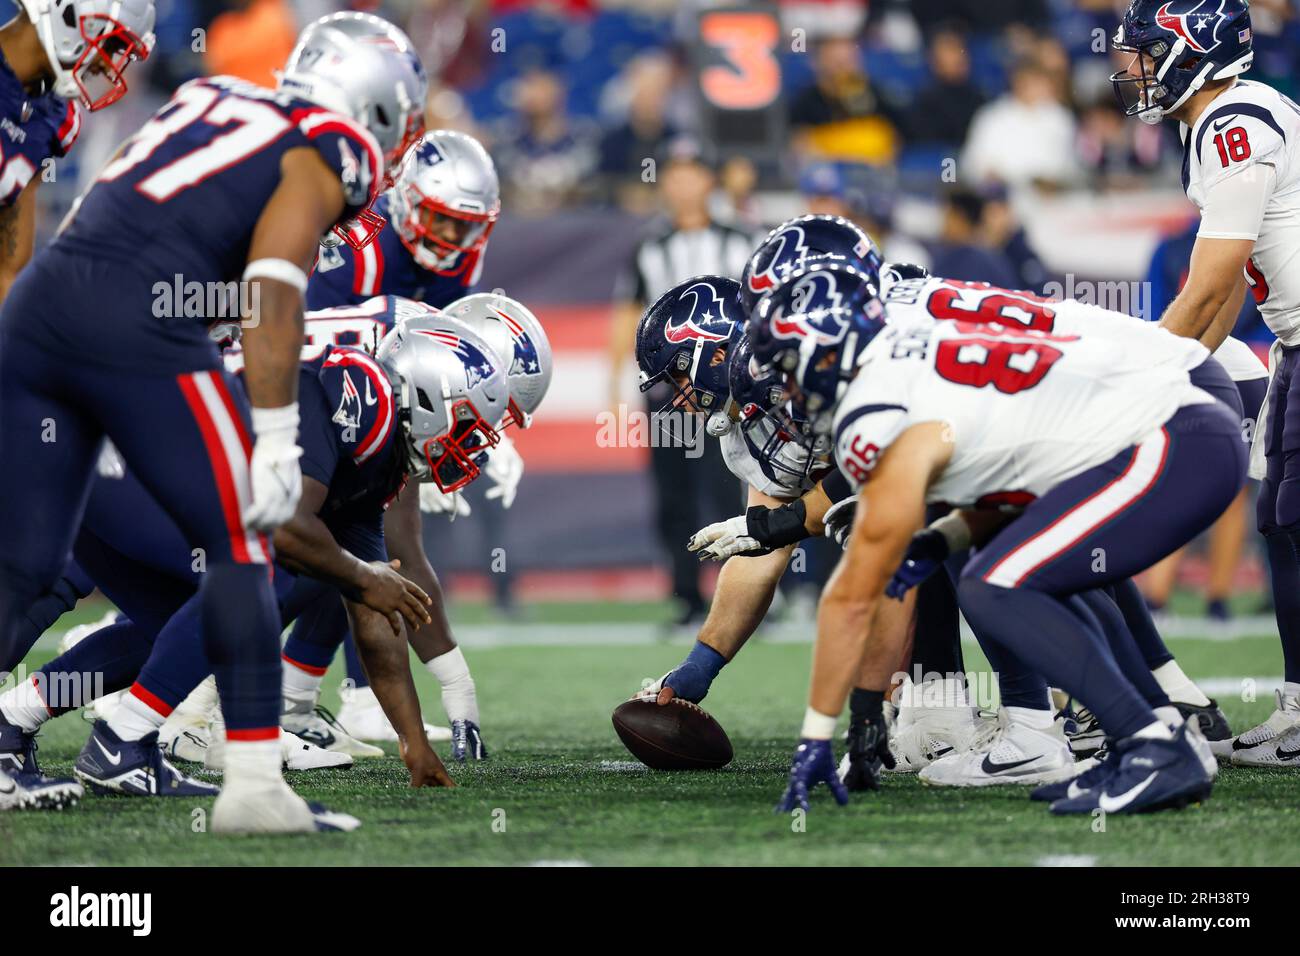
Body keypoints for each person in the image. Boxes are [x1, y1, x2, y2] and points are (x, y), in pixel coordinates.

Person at [0, 11, 426, 830]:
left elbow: (106, 209)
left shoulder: (212, 95)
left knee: (23, 568)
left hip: (42, 308)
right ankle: (256, 790)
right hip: (134, 326)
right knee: (247, 548)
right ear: (372, 105)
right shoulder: (325, 147)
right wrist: (271, 436)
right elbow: (272, 285)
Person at [759, 260, 1243, 815]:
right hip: (1171, 417)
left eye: (790, 369)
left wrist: (821, 732)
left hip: (1168, 434)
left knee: (996, 585)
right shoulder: (909, 352)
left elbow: (851, 596)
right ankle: (1157, 732)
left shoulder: (875, 411)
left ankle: (1151, 745)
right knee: (1022, 569)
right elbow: (1011, 479)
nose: (792, 394)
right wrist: (942, 539)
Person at [1111, 0, 1300, 765]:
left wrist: (1146, 368)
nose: (1137, 70)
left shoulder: (1234, 123)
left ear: (1198, 51)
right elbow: (1222, 297)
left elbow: (1212, 277)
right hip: (1291, 340)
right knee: (1281, 523)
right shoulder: (1217, 120)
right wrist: (1180, 359)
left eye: (1151, 53)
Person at [608, 137, 753, 629]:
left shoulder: (740, 241)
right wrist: (616, 380)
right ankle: (687, 596)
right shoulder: (651, 247)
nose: (683, 183)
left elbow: (758, 312)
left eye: (693, 173)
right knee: (675, 497)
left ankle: (747, 594)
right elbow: (629, 313)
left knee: (732, 491)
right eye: (674, 174)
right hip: (669, 396)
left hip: (729, 397)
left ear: (710, 181)